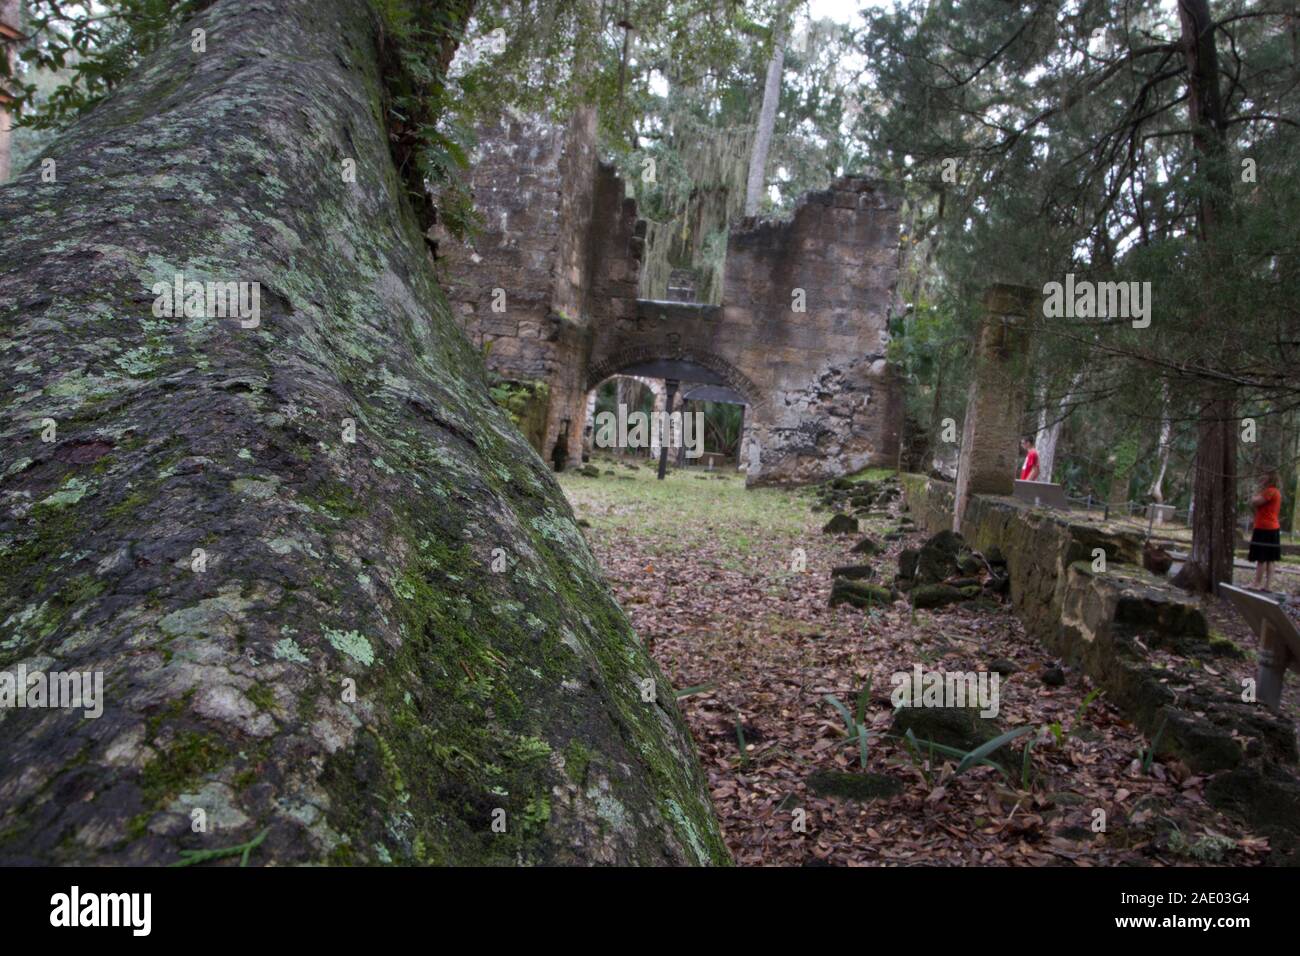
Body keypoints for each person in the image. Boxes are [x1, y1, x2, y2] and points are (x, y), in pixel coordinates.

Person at [1249, 469, 1283, 591]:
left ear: (1270, 477)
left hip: (1264, 528)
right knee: (1270, 558)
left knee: (1262, 558)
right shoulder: (1274, 491)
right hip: (1273, 528)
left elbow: (1256, 501)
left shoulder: (1270, 491)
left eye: (1264, 475)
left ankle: (1257, 583)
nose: (1261, 477)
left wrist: (1254, 496)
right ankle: (1268, 585)